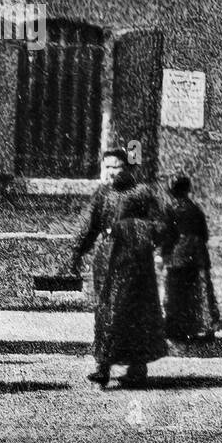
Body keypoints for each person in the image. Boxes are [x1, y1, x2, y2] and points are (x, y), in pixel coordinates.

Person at [71, 149, 168, 387]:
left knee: (136, 313)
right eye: (108, 167)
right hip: (106, 261)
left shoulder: (143, 192)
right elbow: (88, 225)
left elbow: (161, 226)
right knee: (105, 312)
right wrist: (76, 252)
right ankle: (103, 366)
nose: (112, 172)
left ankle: (137, 367)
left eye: (117, 166)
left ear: (129, 167)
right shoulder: (102, 193)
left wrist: (129, 227)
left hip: (135, 262)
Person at [160, 173, 220, 342]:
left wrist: (164, 254)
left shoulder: (170, 209)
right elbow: (205, 234)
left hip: (178, 254)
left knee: (177, 292)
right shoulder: (195, 208)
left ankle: (177, 328)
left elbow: (167, 234)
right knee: (198, 290)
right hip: (198, 253)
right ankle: (203, 327)